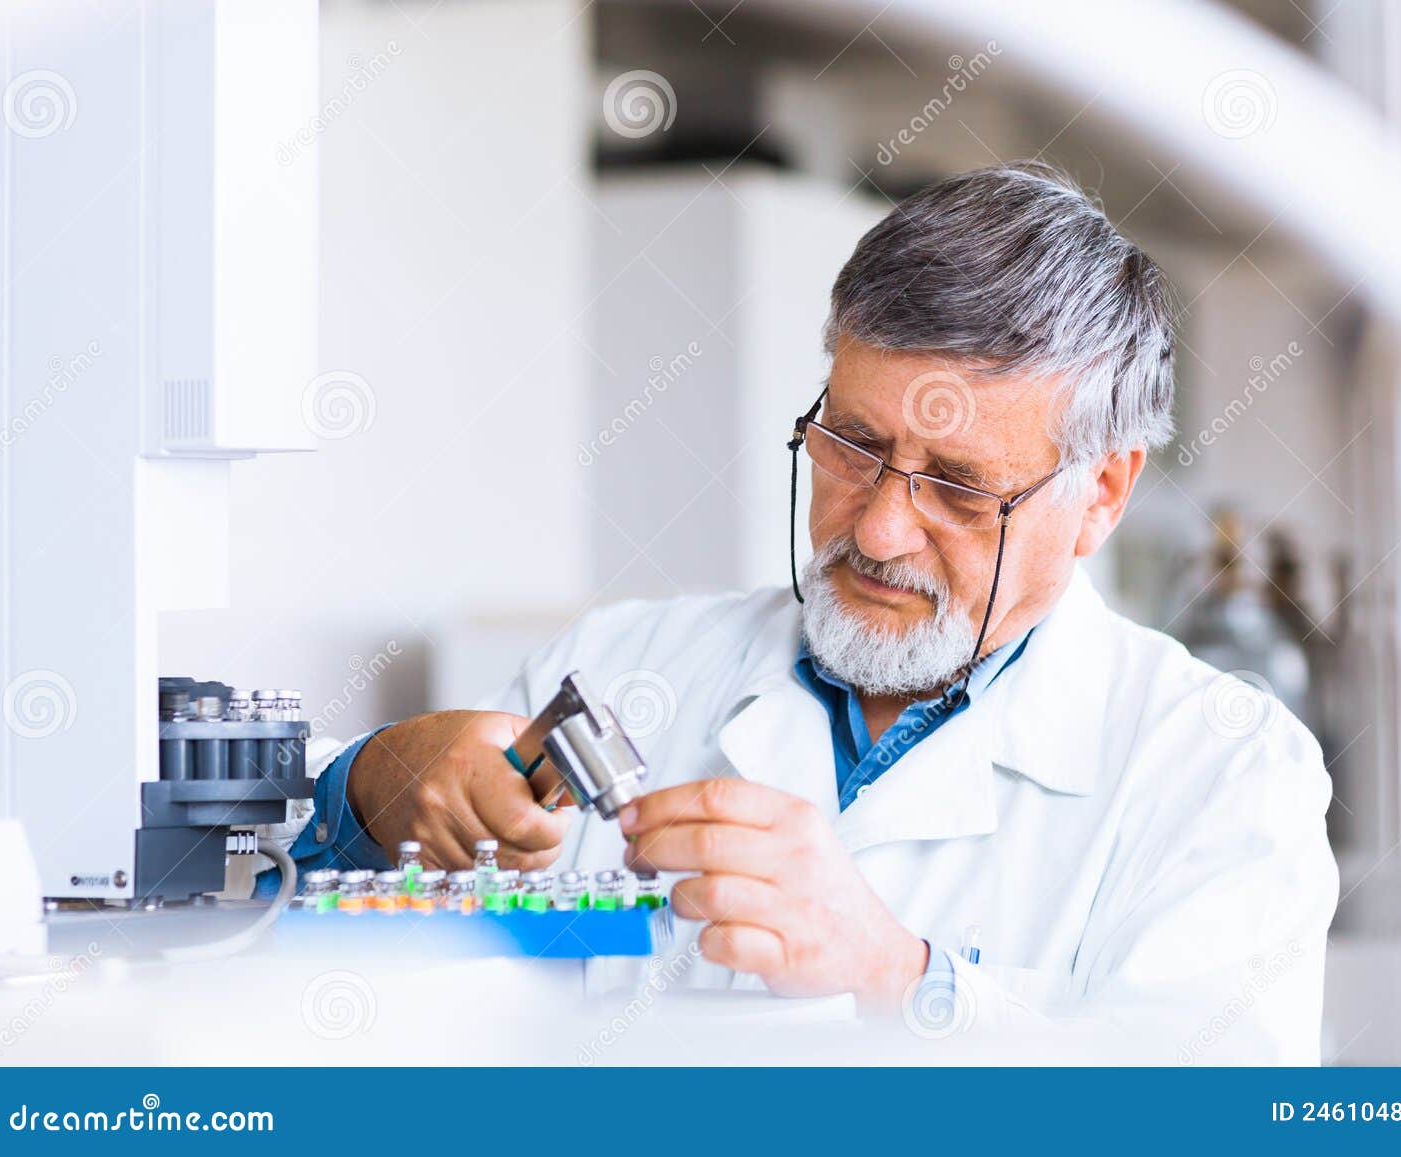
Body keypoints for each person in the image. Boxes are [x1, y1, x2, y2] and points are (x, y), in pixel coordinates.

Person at [268, 161, 1337, 1061]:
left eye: (958, 485)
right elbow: (332, 1000)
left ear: (1101, 491)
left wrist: (897, 974)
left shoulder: (1222, 772)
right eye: (852, 445)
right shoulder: (622, 661)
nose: (875, 530)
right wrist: (373, 789)